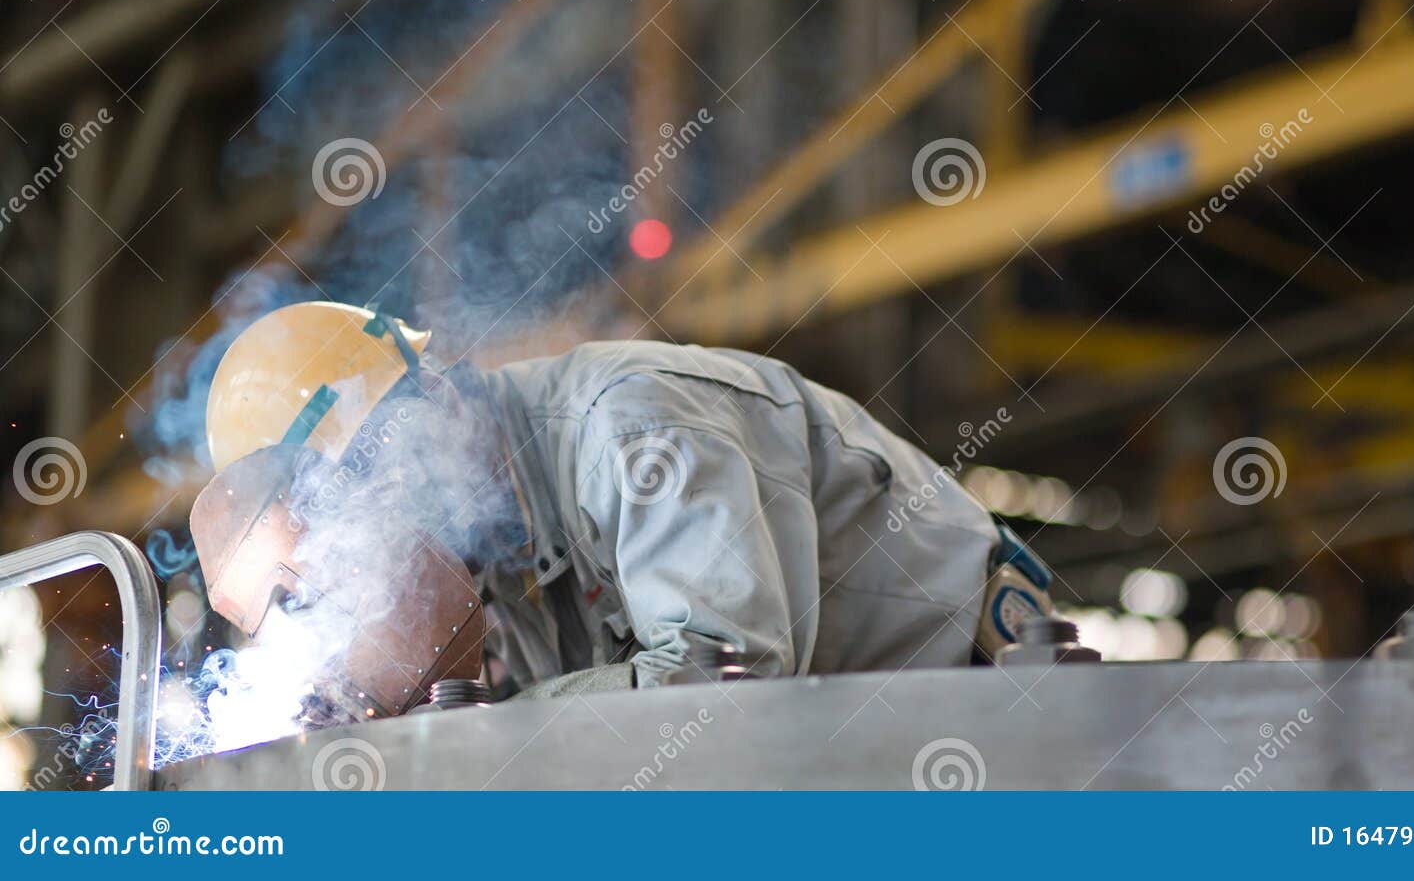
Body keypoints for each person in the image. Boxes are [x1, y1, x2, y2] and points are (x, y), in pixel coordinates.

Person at [189, 301, 1052, 714]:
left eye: (377, 497)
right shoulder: (488, 559)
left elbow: (723, 679)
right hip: (834, 735)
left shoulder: (628, 427)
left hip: (977, 694)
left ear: (437, 406)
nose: (381, 543)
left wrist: (488, 726)